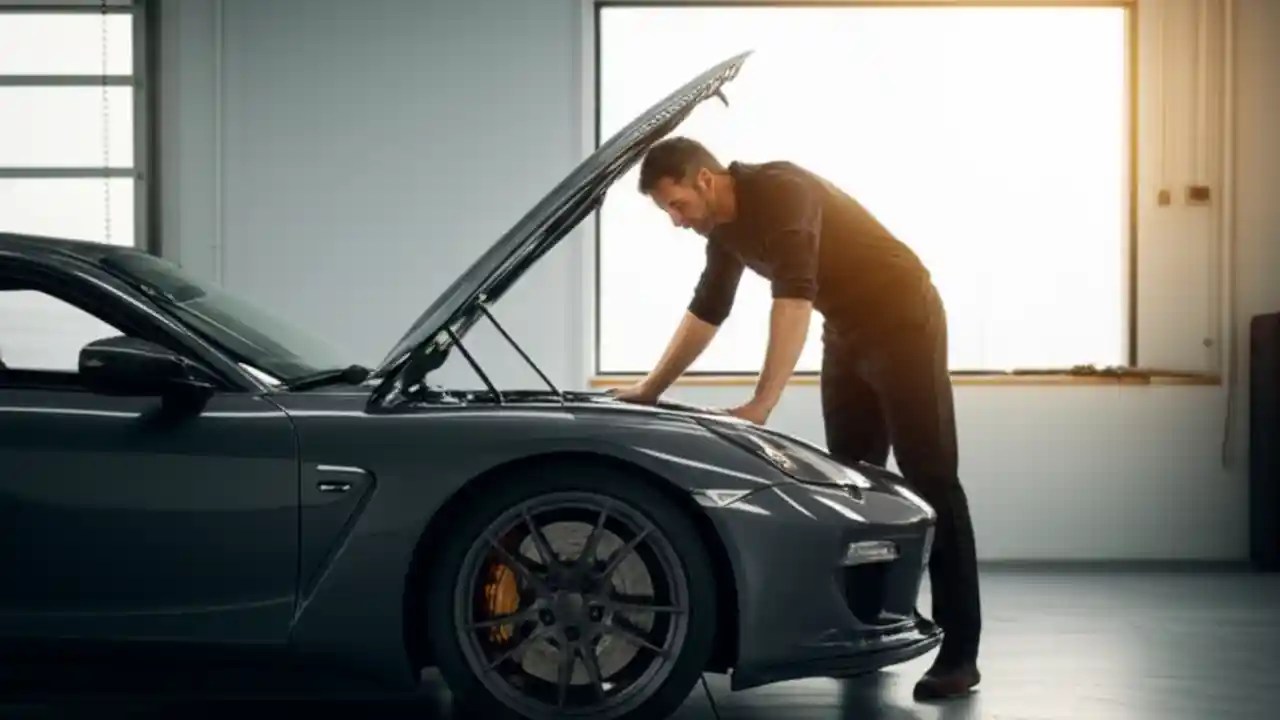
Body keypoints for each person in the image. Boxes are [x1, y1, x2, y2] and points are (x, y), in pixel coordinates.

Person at [613, 136, 983, 700]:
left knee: (929, 478)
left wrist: (763, 403)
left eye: (676, 204)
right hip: (848, 330)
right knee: (855, 485)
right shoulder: (723, 231)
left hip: (903, 318)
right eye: (668, 211)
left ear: (705, 180)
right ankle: (867, 635)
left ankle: (960, 654)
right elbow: (708, 307)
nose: (676, 221)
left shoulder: (782, 191)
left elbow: (793, 300)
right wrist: (649, 389)